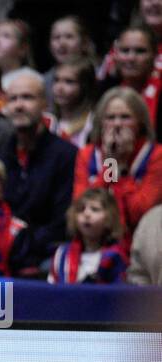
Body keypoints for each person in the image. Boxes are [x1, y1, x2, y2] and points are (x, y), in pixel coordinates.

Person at [0, 69, 78, 276]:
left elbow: (62, 221)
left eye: (27, 97)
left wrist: (21, 244)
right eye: (13, 99)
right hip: (1, 251)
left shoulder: (67, 155)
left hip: (45, 255)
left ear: (45, 104)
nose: (19, 105)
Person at [73, 86, 162, 255]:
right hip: (94, 243)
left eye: (125, 117)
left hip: (142, 245)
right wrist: (112, 163)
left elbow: (139, 214)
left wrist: (121, 168)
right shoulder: (87, 154)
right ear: (100, 122)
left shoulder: (156, 155)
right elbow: (83, 207)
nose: (117, 124)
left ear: (140, 122)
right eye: (110, 118)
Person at [49, 187, 129, 283]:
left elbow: (118, 294)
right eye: (81, 209)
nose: (86, 214)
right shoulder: (62, 254)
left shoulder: (116, 256)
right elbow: (51, 291)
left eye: (95, 209)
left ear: (110, 218)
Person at [44, 16, 98, 102]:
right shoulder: (45, 80)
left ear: (84, 43)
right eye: (56, 37)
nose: (62, 43)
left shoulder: (99, 75)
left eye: (69, 37)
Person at [51, 58, 97, 149]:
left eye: (69, 81)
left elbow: (110, 161)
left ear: (85, 86)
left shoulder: (93, 124)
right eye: (56, 80)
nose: (59, 88)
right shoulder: (48, 122)